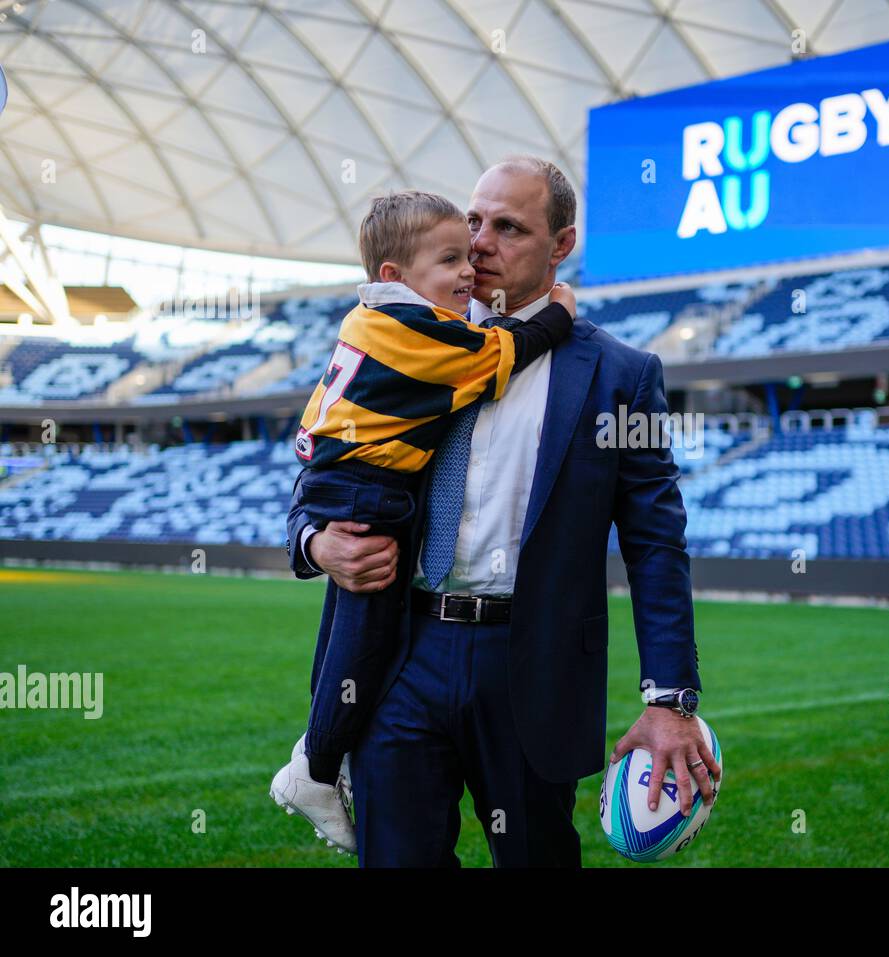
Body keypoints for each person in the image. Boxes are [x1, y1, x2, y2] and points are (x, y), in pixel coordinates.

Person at [286, 155, 720, 867]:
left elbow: (655, 542)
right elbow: (325, 463)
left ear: (562, 246)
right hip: (400, 654)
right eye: (475, 220)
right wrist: (313, 544)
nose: (481, 242)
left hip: (531, 667)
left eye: (509, 227)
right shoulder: (398, 337)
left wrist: (671, 697)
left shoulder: (622, 376)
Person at [271, 189, 576, 853]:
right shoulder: (431, 333)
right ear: (395, 276)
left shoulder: (371, 321)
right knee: (367, 632)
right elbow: (504, 354)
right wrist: (314, 542)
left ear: (560, 244)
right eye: (455, 251)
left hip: (520, 655)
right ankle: (319, 762)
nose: (472, 263)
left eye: (486, 244)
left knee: (348, 633)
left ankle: (317, 757)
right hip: (383, 541)